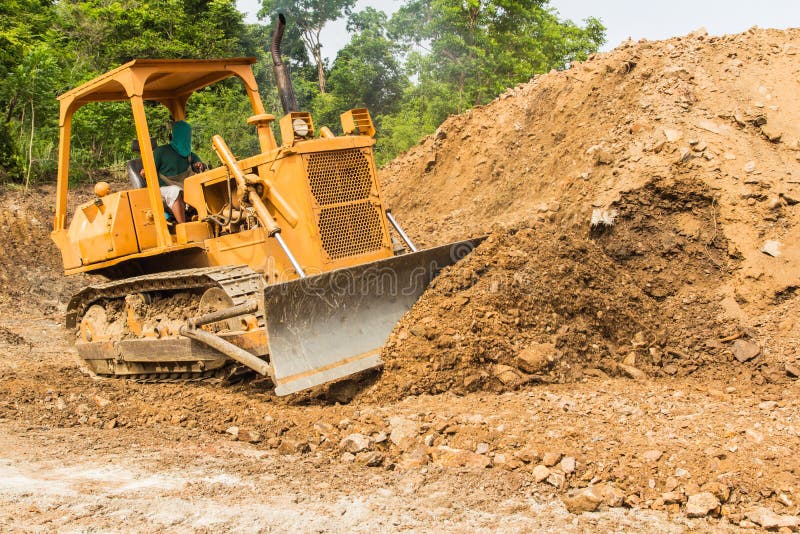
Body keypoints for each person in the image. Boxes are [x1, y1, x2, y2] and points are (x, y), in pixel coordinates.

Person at [141, 120, 204, 223]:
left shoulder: (189, 154)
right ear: (176, 135)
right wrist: (145, 172)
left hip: (184, 188)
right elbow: (146, 171)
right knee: (174, 190)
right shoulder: (160, 152)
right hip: (162, 190)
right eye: (183, 135)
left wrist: (198, 164)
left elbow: (198, 164)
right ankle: (183, 226)